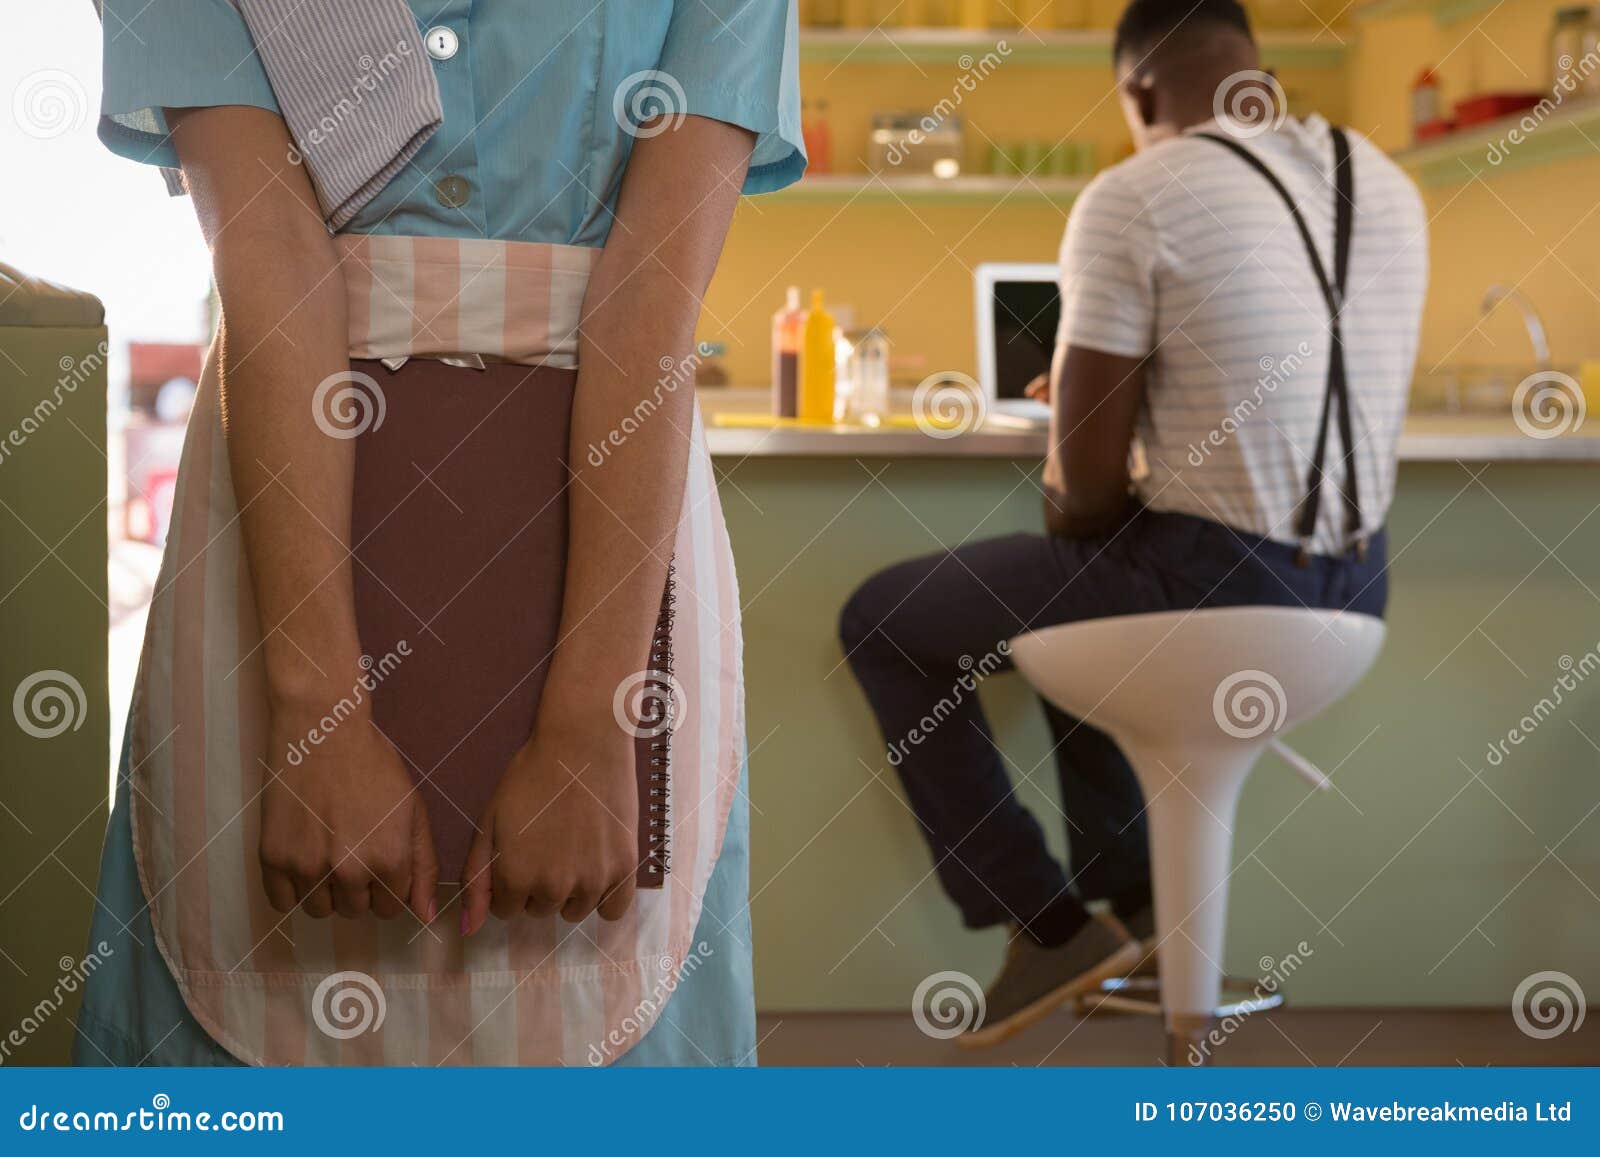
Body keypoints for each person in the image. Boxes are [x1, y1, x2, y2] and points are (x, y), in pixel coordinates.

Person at [75, 1, 803, 1067]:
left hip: (610, 562)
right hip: (288, 545)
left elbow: (652, 295)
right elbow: (267, 256)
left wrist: (589, 726)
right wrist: (316, 713)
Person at [839, 0, 1427, 1048]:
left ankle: (1051, 927)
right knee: (1082, 599)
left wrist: (1084, 405)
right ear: (1252, 67)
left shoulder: (1137, 192)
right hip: (1358, 597)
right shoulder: (1382, 180)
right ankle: (1145, 916)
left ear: (1139, 90)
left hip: (1211, 593)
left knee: (885, 619)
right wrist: (1134, 399)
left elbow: (1080, 498)